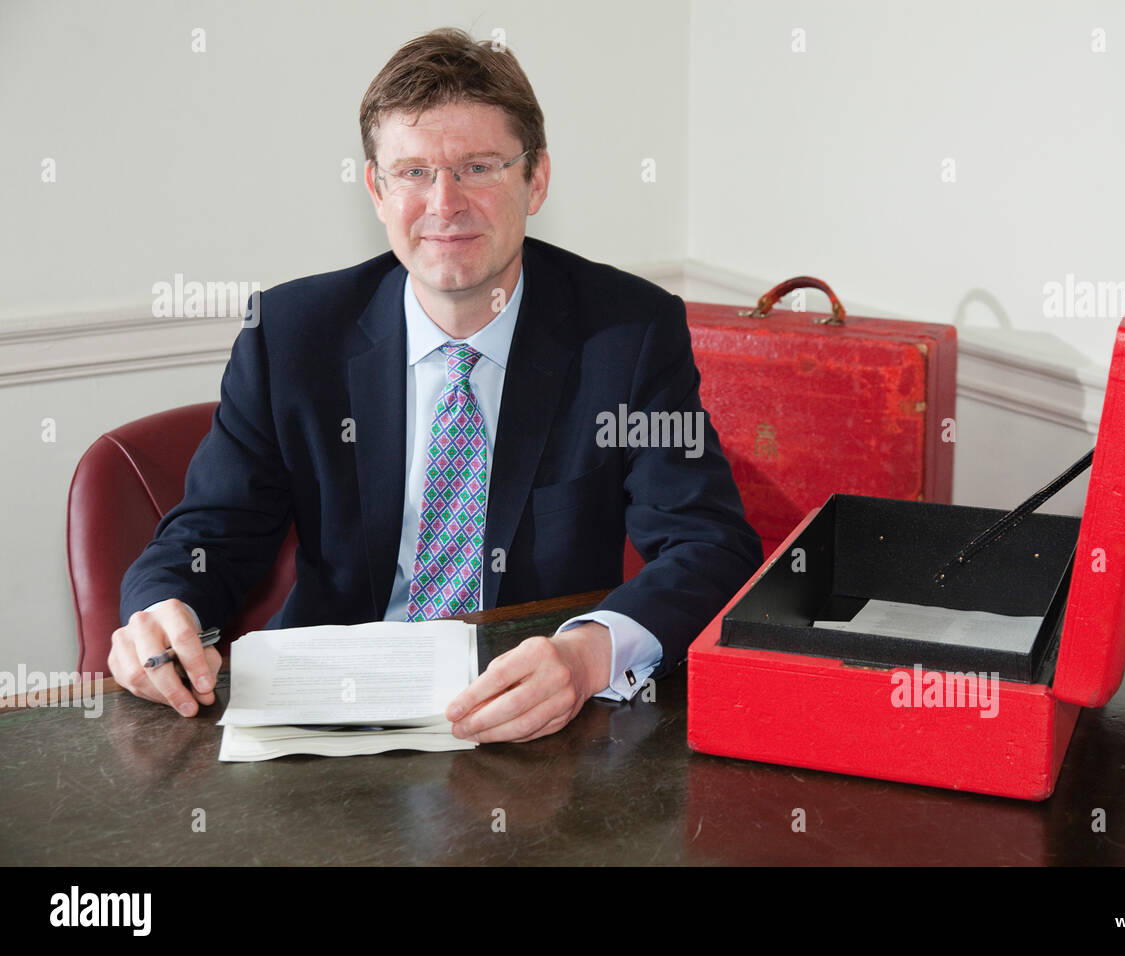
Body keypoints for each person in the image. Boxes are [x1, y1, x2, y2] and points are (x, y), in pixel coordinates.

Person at [112, 28, 761, 743]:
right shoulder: (293, 336)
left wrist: (585, 657)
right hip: (332, 720)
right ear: (376, 189)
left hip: (534, 716)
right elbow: (212, 532)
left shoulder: (627, 335)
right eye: (413, 172)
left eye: (478, 167)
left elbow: (710, 544)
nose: (444, 204)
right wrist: (163, 608)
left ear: (535, 179)